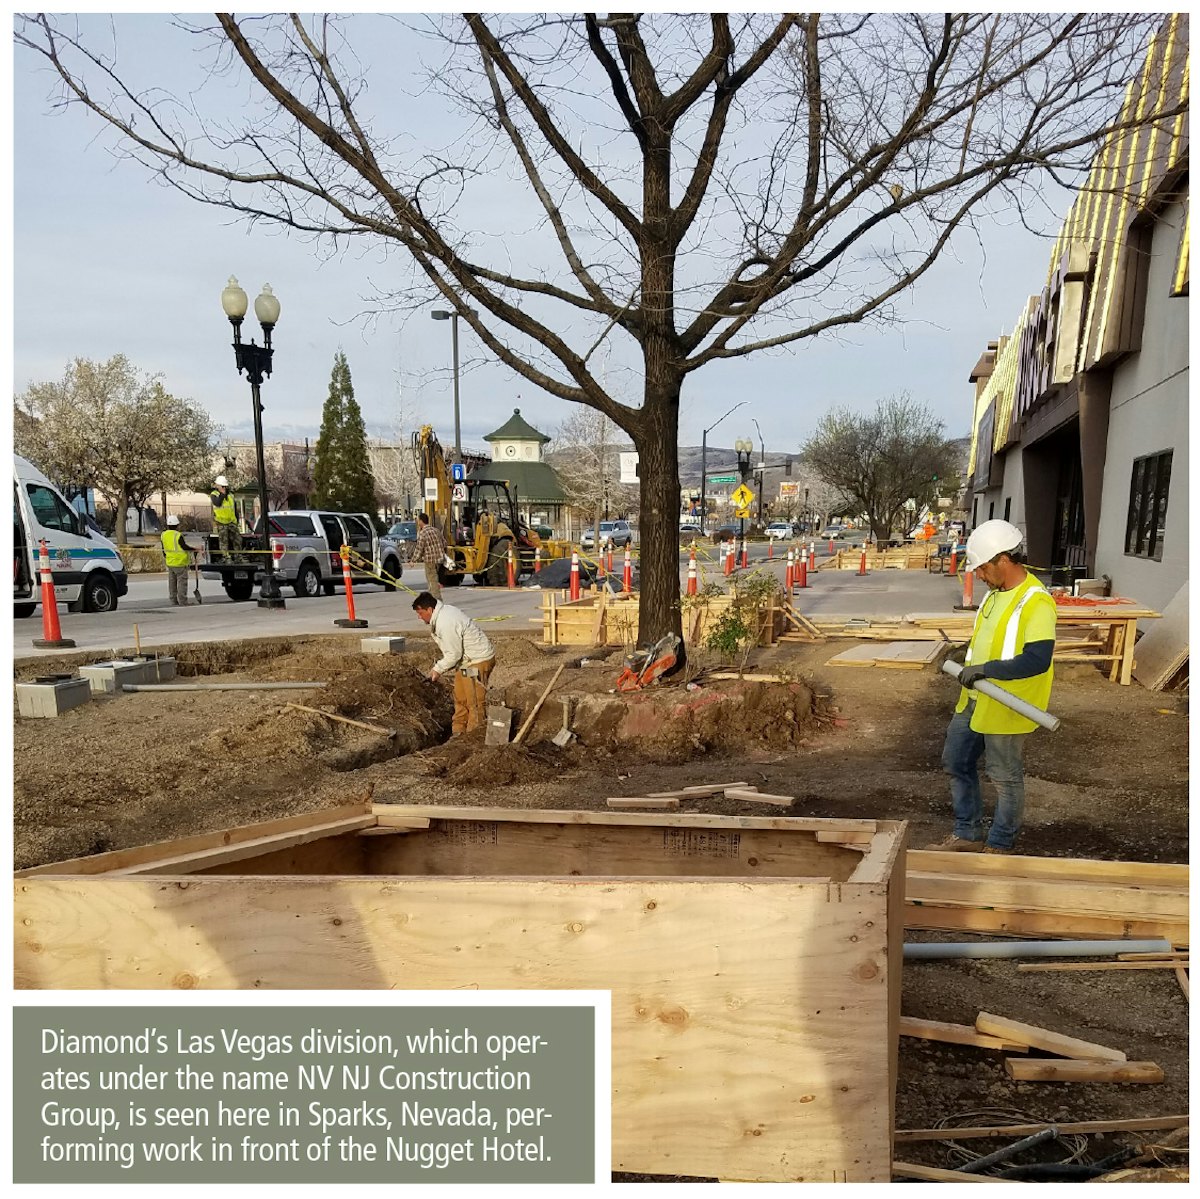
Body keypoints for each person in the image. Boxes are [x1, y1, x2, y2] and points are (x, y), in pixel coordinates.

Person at [928, 520, 1057, 855]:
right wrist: (962, 654)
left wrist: (985, 670)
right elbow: (987, 640)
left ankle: (1000, 844)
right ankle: (968, 834)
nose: (980, 576)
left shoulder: (1036, 602)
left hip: (1007, 703)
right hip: (973, 698)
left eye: (983, 568)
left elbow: (1038, 659)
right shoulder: (993, 596)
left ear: (1003, 559)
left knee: (1004, 776)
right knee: (956, 762)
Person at [412, 591, 495, 735]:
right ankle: (458, 736)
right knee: (461, 700)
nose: (419, 617)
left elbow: (454, 654)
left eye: (420, 613)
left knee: (474, 702)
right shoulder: (442, 615)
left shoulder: (446, 622)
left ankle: (473, 737)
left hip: (477, 661)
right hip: (465, 662)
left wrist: (438, 669)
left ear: (429, 610)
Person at [160, 514, 202, 607]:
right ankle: (183, 601)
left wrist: (167, 557)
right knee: (182, 582)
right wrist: (195, 549)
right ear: (177, 525)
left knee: (172, 582)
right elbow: (184, 547)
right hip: (180, 562)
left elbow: (163, 549)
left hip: (170, 562)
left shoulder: (163, 535)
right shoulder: (178, 535)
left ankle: (173, 600)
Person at [414, 511, 446, 600]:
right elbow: (444, 543)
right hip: (439, 560)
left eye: (418, 521)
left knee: (432, 581)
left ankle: (437, 600)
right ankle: (433, 598)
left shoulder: (423, 533)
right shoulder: (436, 530)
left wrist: (413, 560)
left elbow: (419, 548)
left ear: (421, 521)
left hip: (430, 561)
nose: (418, 522)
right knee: (434, 579)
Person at [210, 475, 241, 561]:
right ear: (217, 486)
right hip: (221, 522)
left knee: (237, 540)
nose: (223, 488)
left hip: (232, 522)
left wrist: (237, 520)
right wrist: (222, 495)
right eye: (222, 486)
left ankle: (238, 556)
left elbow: (234, 509)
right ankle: (226, 557)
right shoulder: (214, 495)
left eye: (224, 486)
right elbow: (217, 503)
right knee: (224, 541)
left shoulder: (230, 495)